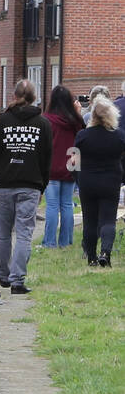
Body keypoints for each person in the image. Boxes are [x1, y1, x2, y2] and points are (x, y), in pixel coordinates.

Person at [0, 78, 52, 294]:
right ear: (35, 97)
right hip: (30, 185)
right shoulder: (43, 124)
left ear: (14, 95)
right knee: (24, 234)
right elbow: (46, 158)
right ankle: (17, 281)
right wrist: (42, 185)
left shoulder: (1, 121)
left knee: (3, 233)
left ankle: (3, 272)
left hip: (5, 184)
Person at [73, 97, 125, 268]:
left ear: (92, 115)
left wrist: (78, 179)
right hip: (111, 181)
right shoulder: (119, 136)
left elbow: (73, 161)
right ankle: (105, 253)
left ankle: (92, 258)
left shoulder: (82, 136)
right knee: (108, 220)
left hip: (87, 181)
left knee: (90, 220)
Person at [40, 86, 82, 248]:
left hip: (51, 167)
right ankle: (66, 241)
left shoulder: (47, 120)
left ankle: (49, 242)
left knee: (52, 205)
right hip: (71, 165)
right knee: (66, 204)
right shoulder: (76, 121)